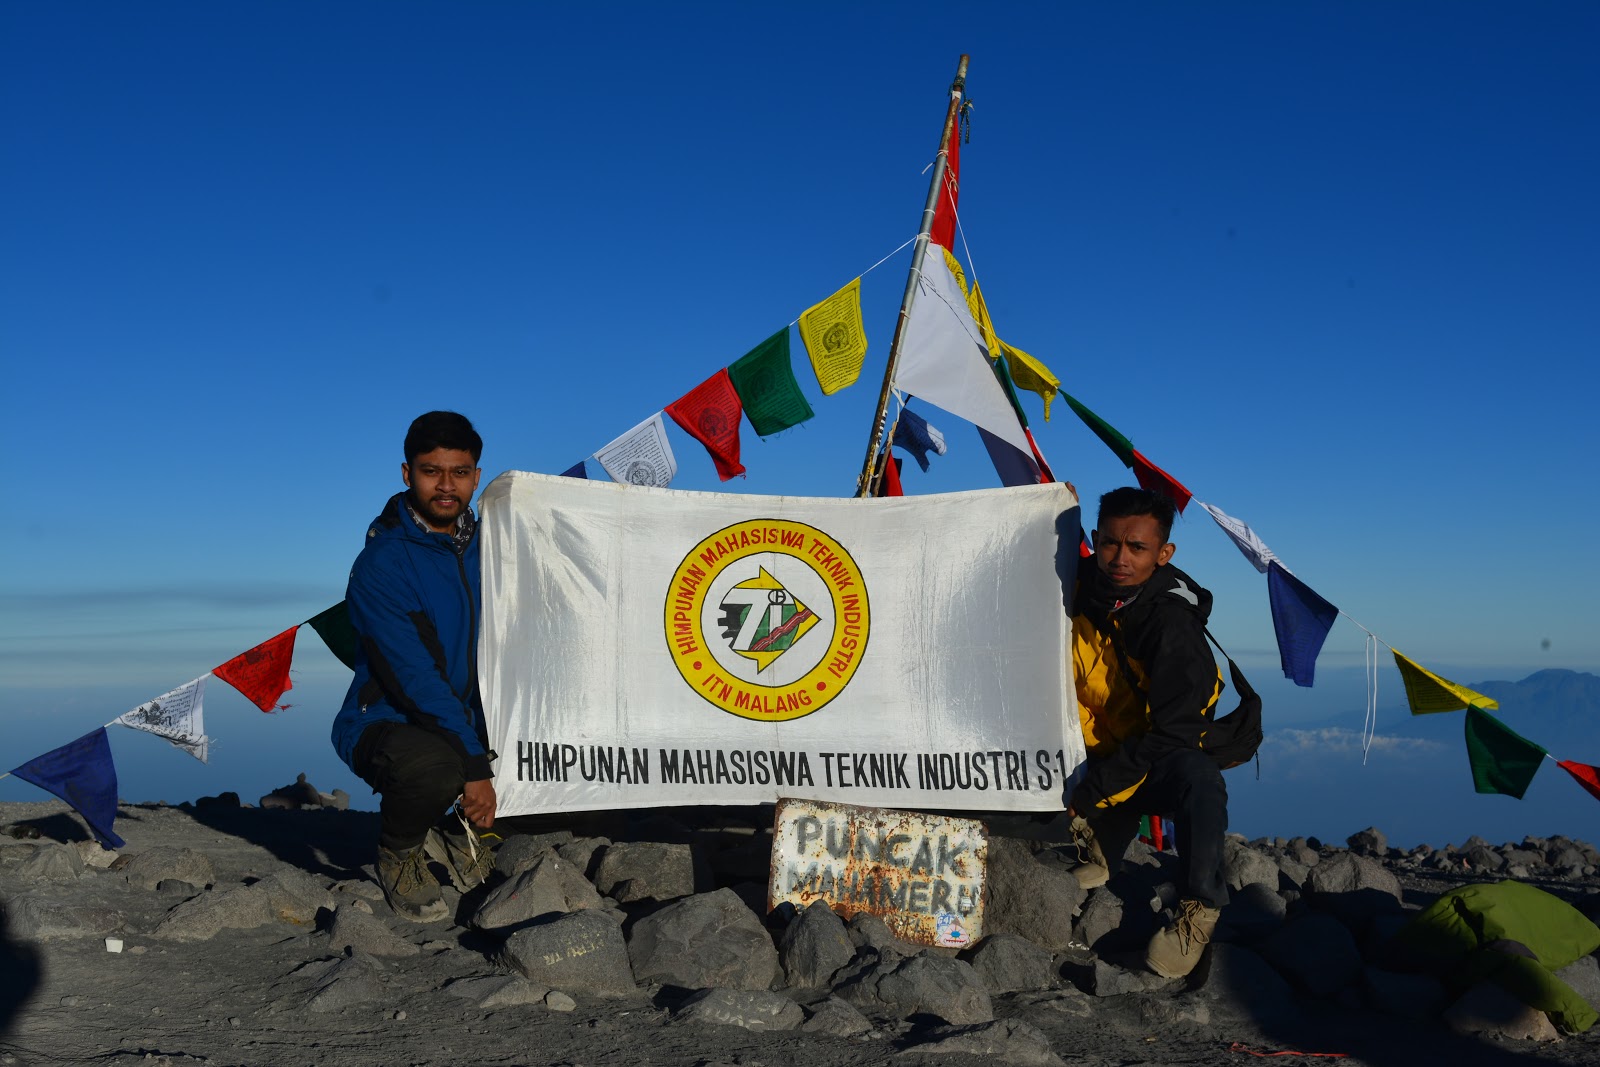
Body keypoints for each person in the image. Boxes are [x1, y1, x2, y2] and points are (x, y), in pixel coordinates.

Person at [331, 411, 497, 922]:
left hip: (469, 713)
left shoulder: (493, 545)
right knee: (438, 770)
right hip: (387, 718)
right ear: (407, 474)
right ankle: (400, 851)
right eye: (432, 471)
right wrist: (474, 768)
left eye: (461, 472)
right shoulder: (383, 564)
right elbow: (416, 680)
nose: (447, 486)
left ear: (476, 474)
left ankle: (450, 834)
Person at [1068, 486, 1230, 978]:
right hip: (1098, 741)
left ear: (1164, 554)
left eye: (1137, 548)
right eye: (1111, 543)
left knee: (1199, 781)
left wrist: (1094, 791)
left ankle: (1200, 906)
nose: (1120, 558)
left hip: (1158, 752)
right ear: (1095, 539)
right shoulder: (1080, 589)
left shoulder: (1172, 626)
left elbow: (1173, 732)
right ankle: (1103, 839)